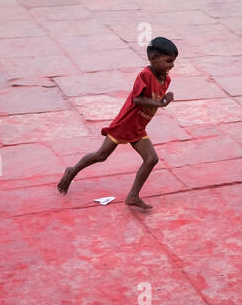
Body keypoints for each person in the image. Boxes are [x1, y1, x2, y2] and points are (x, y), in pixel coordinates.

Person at [56, 37, 178, 210]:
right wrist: (161, 103)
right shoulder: (145, 75)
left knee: (151, 159)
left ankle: (133, 196)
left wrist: (164, 99)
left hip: (138, 126)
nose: (171, 66)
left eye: (173, 62)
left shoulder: (166, 80)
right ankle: (72, 171)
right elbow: (137, 99)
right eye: (168, 61)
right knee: (101, 155)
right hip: (125, 124)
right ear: (153, 59)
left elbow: (154, 99)